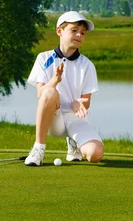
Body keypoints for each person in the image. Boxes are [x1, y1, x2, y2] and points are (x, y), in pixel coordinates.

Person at [24, 11, 104, 166]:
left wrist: (78, 103)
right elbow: (42, 94)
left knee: (95, 154)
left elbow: (86, 102)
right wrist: (54, 80)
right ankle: (38, 149)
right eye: (74, 30)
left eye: (82, 32)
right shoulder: (43, 58)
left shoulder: (87, 65)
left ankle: (73, 143)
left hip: (76, 119)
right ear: (59, 31)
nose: (79, 35)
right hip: (54, 119)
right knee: (49, 91)